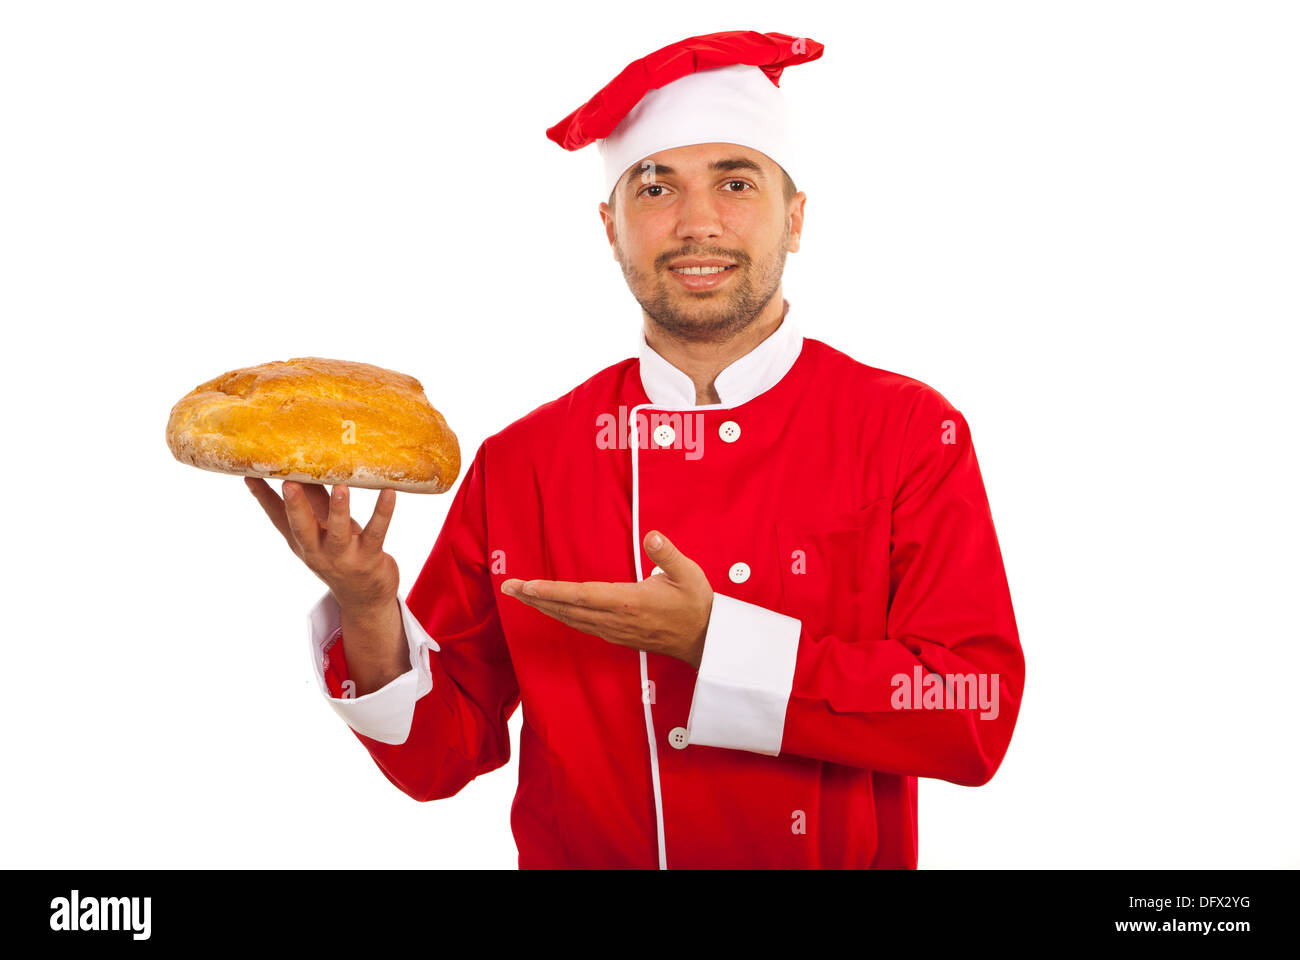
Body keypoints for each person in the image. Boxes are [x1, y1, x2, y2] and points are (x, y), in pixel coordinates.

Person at [246, 30, 1025, 869]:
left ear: (794, 220)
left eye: (736, 181)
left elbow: (971, 718)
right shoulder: (525, 462)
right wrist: (366, 607)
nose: (697, 223)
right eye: (655, 188)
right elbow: (441, 756)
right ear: (609, 226)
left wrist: (715, 642)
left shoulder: (906, 432)